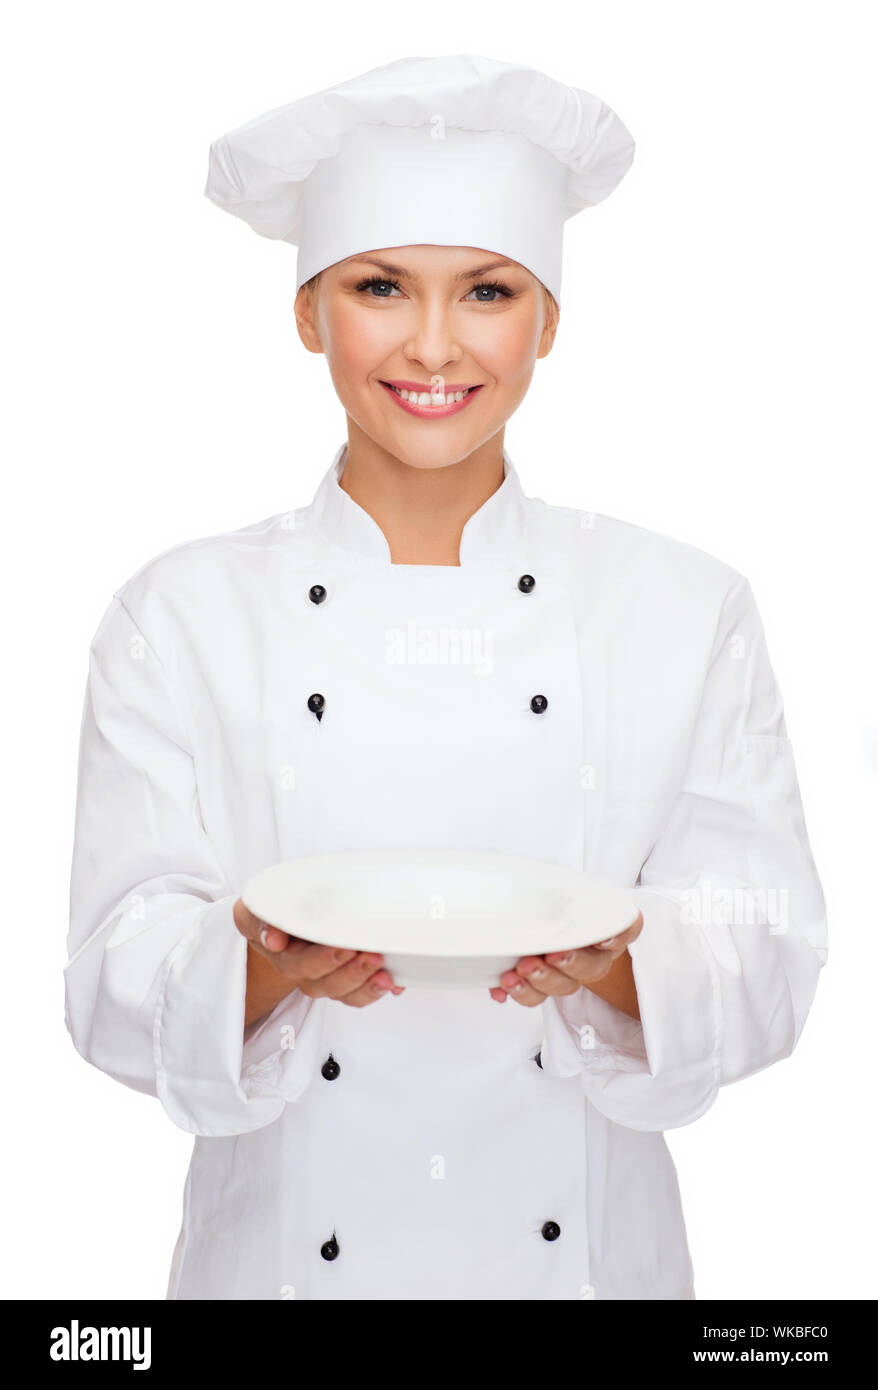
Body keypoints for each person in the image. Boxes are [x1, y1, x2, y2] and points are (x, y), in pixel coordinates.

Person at [64, 53, 828, 1301]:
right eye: (378, 286)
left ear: (548, 321)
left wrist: (619, 961)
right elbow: (106, 978)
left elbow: (770, 948)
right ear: (307, 312)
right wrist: (264, 960)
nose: (432, 344)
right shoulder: (179, 615)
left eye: (484, 291)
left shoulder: (685, 611)